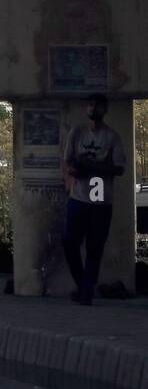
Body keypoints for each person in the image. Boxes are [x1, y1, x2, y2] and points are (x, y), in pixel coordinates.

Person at [62, 94, 128, 305]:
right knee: (69, 242)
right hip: (78, 198)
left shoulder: (111, 137)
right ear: (86, 108)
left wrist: (90, 166)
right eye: (90, 104)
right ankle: (84, 286)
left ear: (104, 109)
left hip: (100, 201)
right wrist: (77, 170)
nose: (93, 108)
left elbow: (119, 168)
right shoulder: (77, 133)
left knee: (94, 248)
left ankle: (86, 293)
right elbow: (69, 162)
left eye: (97, 105)